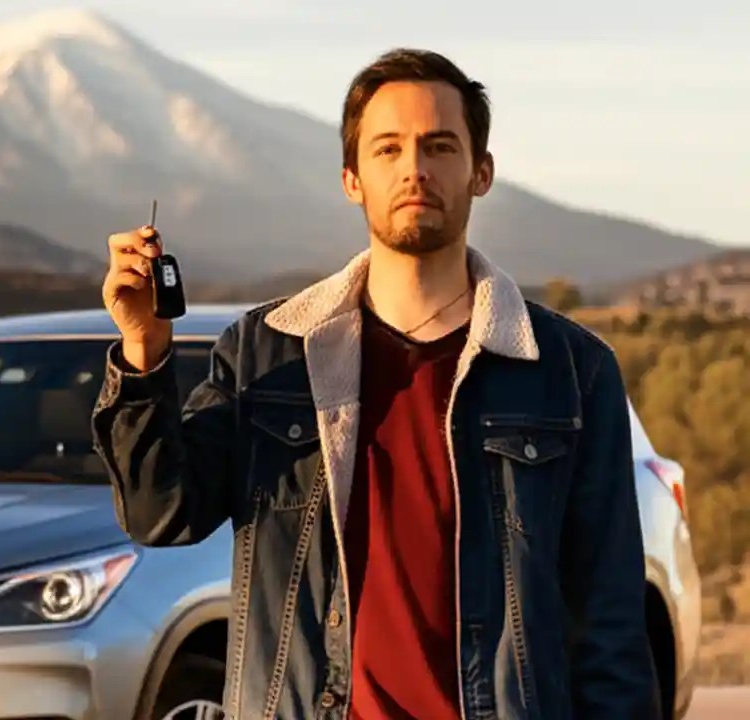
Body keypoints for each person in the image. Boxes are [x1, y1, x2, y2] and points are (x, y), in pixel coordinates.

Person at [92, 48, 661, 720]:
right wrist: (143, 350)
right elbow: (162, 515)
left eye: (439, 146)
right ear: (352, 179)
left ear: (481, 172)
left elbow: (610, 625)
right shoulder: (265, 352)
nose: (415, 169)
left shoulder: (570, 369)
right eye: (387, 149)